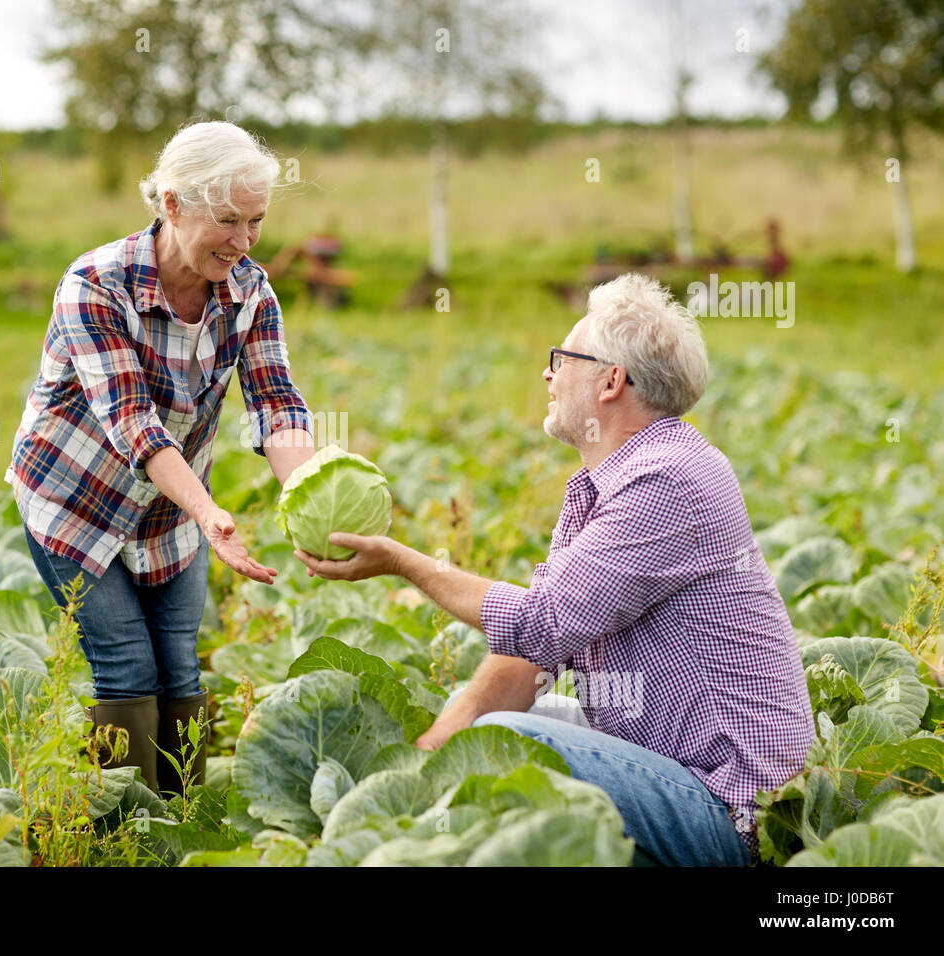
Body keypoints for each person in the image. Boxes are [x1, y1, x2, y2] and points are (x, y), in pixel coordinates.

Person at [294, 273, 815, 866]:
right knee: (490, 716)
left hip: (725, 805)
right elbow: (538, 651)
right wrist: (446, 733)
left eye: (561, 358)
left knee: (514, 740)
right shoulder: (603, 483)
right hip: (663, 761)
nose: (547, 374)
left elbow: (539, 622)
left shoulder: (666, 480)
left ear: (610, 381)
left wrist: (401, 561)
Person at [5, 121, 318, 796]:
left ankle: (180, 824)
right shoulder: (94, 284)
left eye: (256, 221)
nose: (242, 242)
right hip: (74, 499)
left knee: (180, 671)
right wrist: (210, 515)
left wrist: (310, 496)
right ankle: (126, 831)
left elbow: (277, 404)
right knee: (125, 668)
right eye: (227, 220)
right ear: (172, 204)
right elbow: (135, 427)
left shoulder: (250, 293)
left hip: (171, 514)